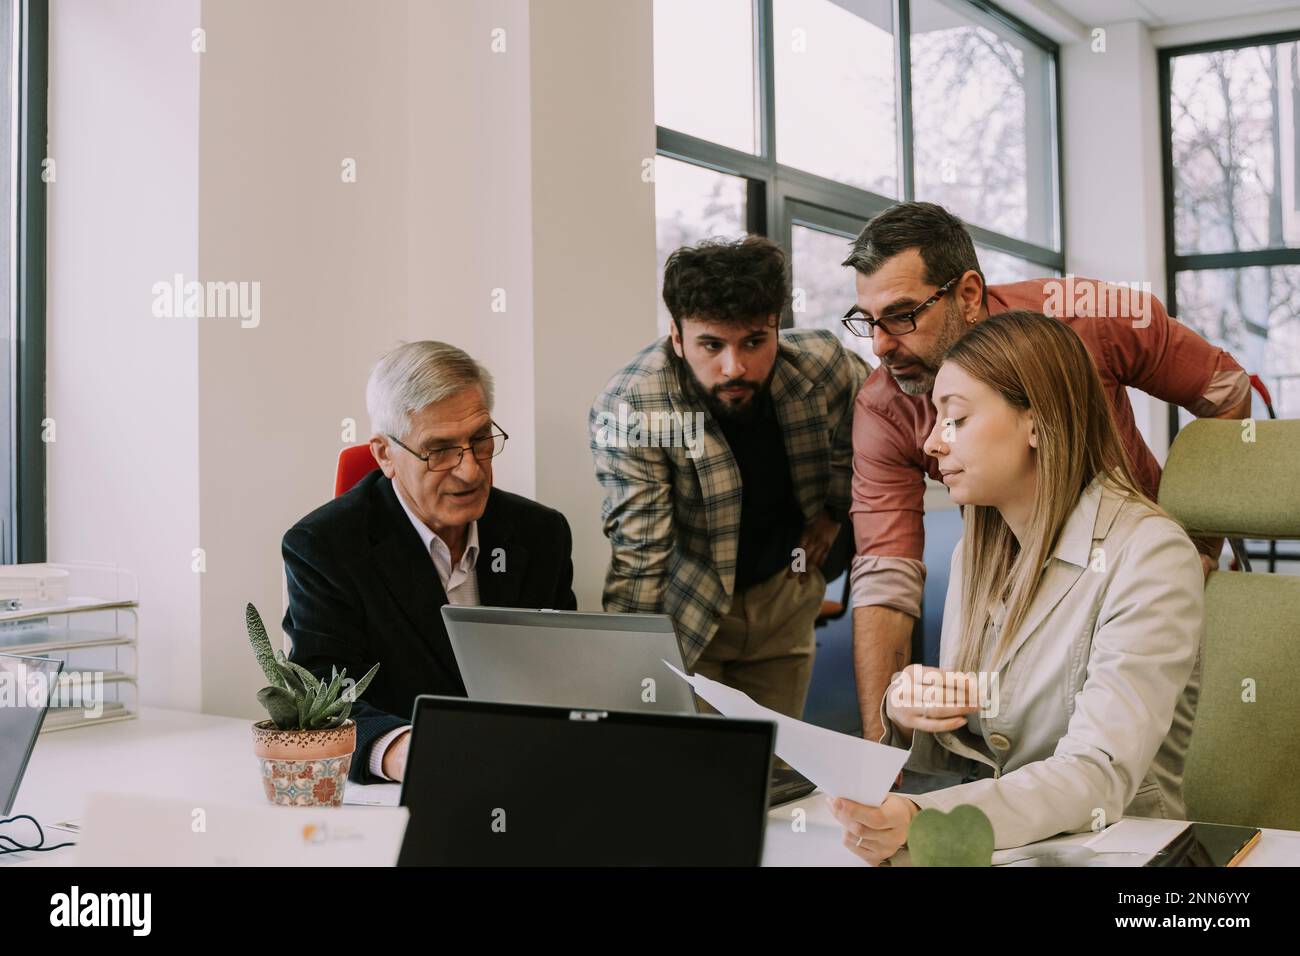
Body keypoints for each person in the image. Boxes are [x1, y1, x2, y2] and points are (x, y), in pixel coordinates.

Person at [844, 202, 1249, 741]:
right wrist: (880, 747)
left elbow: (1226, 392)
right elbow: (885, 580)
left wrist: (1194, 543)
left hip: (1138, 574)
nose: (880, 345)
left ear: (967, 294)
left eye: (901, 315)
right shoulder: (884, 406)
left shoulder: (1087, 316)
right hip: (1016, 593)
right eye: (867, 322)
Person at [830, 310, 1204, 862]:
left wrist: (924, 818)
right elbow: (974, 751)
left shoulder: (1150, 555)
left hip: (1117, 850)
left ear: (1039, 423)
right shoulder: (976, 553)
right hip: (1011, 849)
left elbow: (1097, 774)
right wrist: (910, 711)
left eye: (954, 418)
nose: (932, 442)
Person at [589, 236, 867, 718]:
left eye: (755, 342)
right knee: (694, 775)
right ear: (676, 336)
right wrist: (627, 673)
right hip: (689, 613)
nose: (734, 367)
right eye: (711, 345)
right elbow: (641, 551)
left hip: (786, 596)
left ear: (777, 328)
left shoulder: (824, 366)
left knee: (776, 773)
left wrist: (834, 513)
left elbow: (872, 423)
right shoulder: (634, 404)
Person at [282, 341, 576, 783]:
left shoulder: (541, 533)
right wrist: (403, 750)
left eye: (480, 440)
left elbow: (563, 668)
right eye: (439, 451)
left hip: (529, 773)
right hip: (411, 791)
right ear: (384, 454)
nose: (471, 471)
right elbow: (322, 692)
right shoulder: (324, 547)